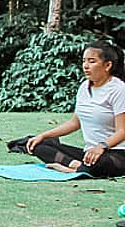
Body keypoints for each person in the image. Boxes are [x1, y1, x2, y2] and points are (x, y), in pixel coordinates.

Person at [13, 42, 125, 177]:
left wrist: (101, 147)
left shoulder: (118, 89)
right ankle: (76, 166)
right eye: (84, 61)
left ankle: (73, 167)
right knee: (35, 144)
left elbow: (122, 131)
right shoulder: (84, 87)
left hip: (116, 153)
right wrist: (43, 136)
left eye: (92, 61)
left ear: (107, 65)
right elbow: (74, 123)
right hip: (90, 153)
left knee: (99, 163)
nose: (86, 66)